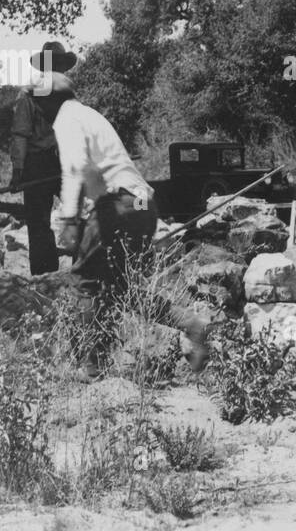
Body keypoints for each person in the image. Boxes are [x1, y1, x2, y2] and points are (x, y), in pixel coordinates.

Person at [41, 86, 208, 379]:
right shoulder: (91, 117)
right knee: (122, 289)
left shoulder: (65, 118)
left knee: (84, 280)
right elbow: (90, 174)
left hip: (120, 204)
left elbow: (74, 170)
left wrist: (68, 219)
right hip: (144, 205)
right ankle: (190, 324)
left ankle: (93, 369)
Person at [10, 42, 73, 275]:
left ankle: (82, 270)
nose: (58, 69)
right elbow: (21, 134)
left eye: (60, 65)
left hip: (65, 160)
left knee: (80, 213)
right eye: (54, 64)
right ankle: (45, 278)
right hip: (38, 162)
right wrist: (18, 171)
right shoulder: (28, 94)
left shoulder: (68, 94)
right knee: (38, 224)